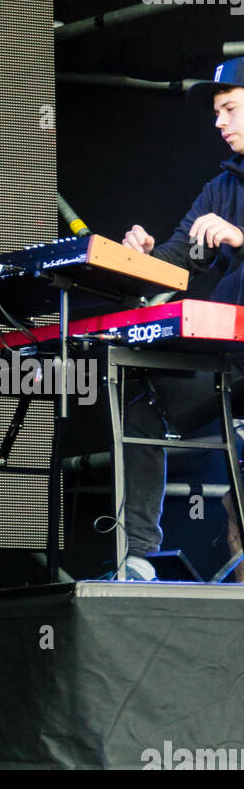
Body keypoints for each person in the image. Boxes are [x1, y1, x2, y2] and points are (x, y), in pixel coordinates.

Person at [119, 58, 244, 581]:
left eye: (230, 109)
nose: (219, 123)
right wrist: (143, 255)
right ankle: (138, 557)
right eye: (217, 113)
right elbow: (174, 259)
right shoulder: (221, 189)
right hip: (230, 358)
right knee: (140, 390)